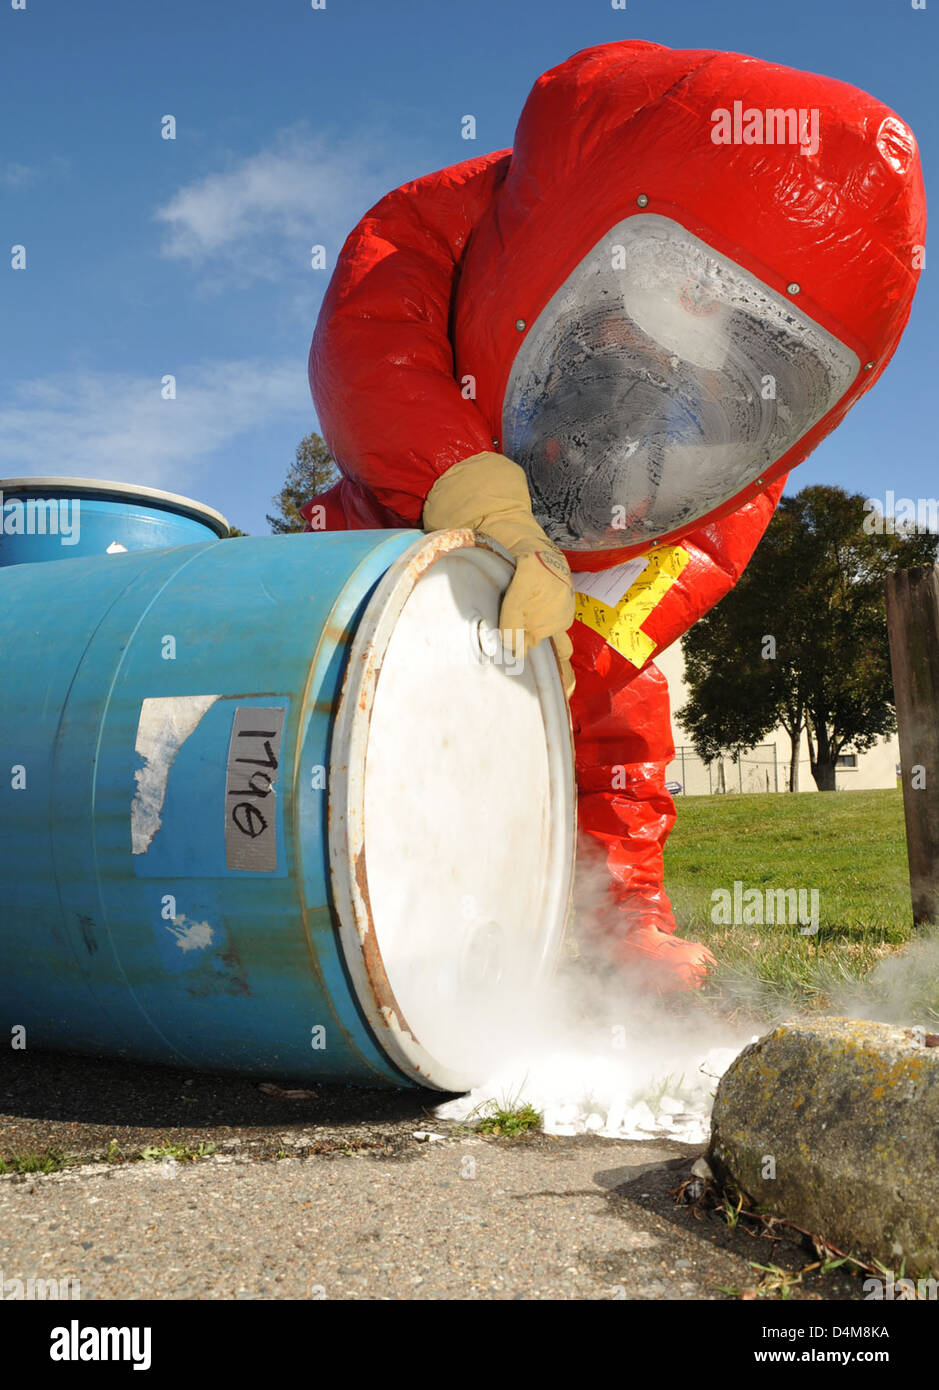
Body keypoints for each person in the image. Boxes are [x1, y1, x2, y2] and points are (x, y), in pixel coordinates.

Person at [301, 40, 925, 990]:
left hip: (575, 562)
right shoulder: (454, 220)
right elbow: (373, 337)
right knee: (347, 716)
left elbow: (695, 546)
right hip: (384, 537)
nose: (663, 358)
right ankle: (331, 904)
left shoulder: (724, 464)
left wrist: (565, 659)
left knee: (617, 719)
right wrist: (472, 495)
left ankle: (616, 919)